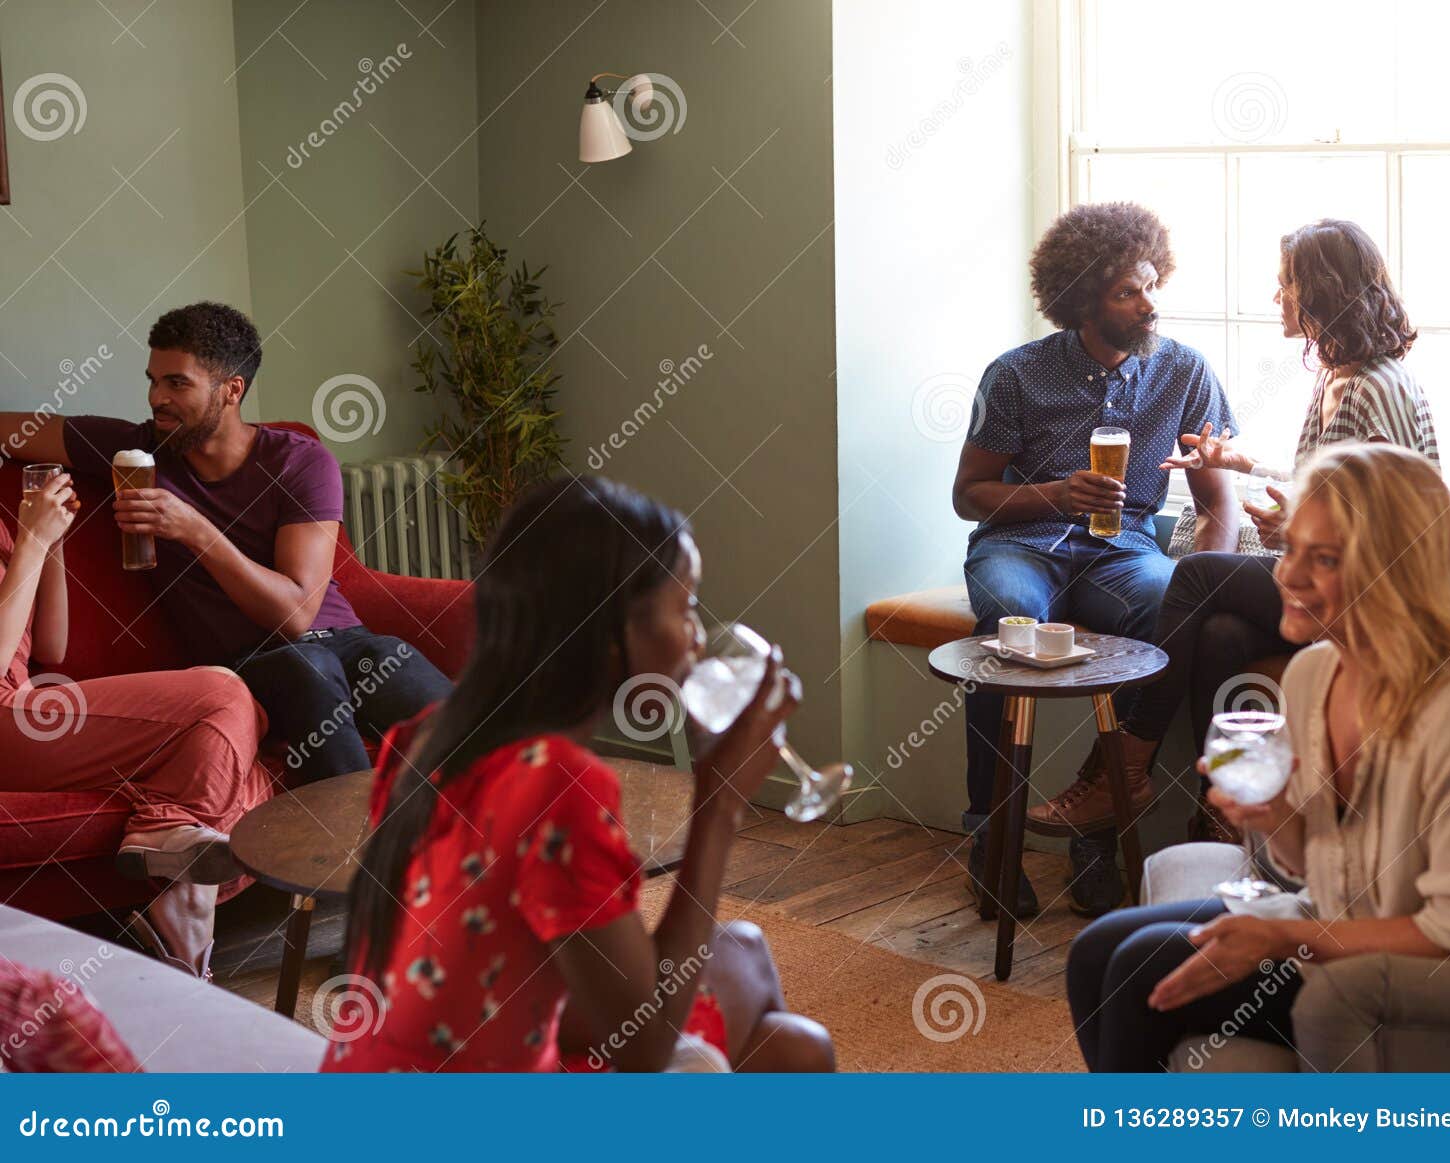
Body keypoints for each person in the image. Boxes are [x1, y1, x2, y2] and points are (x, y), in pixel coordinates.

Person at [1065, 444, 1450, 1072]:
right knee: (1095, 951)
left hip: (1448, 988)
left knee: (1138, 975)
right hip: (1338, 928)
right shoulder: (1316, 674)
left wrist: (1281, 936)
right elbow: (1312, 864)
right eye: (1291, 548)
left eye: (1323, 559)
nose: (1288, 577)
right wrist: (1274, 817)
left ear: (1397, 570)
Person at [324, 476, 834, 1072]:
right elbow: (644, 1047)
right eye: (686, 605)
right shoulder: (558, 783)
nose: (697, 635)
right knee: (797, 1046)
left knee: (776, 1012)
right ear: (614, 627)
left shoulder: (425, 737)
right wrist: (718, 804)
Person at [1030, 218, 1439, 850]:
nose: (1278, 298)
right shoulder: (1336, 376)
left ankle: (1120, 769)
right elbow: (1333, 486)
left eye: (1288, 284)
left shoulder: (1374, 386)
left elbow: (1403, 526)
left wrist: (1298, 528)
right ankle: (1221, 817)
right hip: (1336, 585)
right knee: (1220, 634)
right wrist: (1240, 465)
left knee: (1194, 575)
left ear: (1324, 291)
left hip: (1379, 599)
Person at [0, 302, 453, 783]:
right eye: (153, 379)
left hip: (343, 643)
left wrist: (194, 530)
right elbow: (12, 431)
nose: (156, 397)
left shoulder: (299, 462)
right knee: (310, 668)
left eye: (177, 383)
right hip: (251, 666)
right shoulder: (136, 453)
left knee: (452, 712)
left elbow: (297, 615)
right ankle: (355, 850)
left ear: (231, 390)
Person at [954, 202, 1239, 916]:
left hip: (1125, 549)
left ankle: (1095, 824)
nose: (1149, 306)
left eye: (1151, 286)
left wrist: (1204, 579)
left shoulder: (1184, 371)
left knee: (1170, 607)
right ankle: (992, 837)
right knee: (1011, 624)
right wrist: (1055, 492)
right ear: (1083, 301)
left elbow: (1216, 502)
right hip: (1021, 544)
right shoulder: (1017, 374)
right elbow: (969, 495)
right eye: (1127, 292)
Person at [0, 468, 272, 979]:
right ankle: (164, 840)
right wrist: (34, 539)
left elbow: (52, 647)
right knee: (221, 695)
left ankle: (180, 896)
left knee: (244, 723)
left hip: (23, 707)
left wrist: (50, 545)